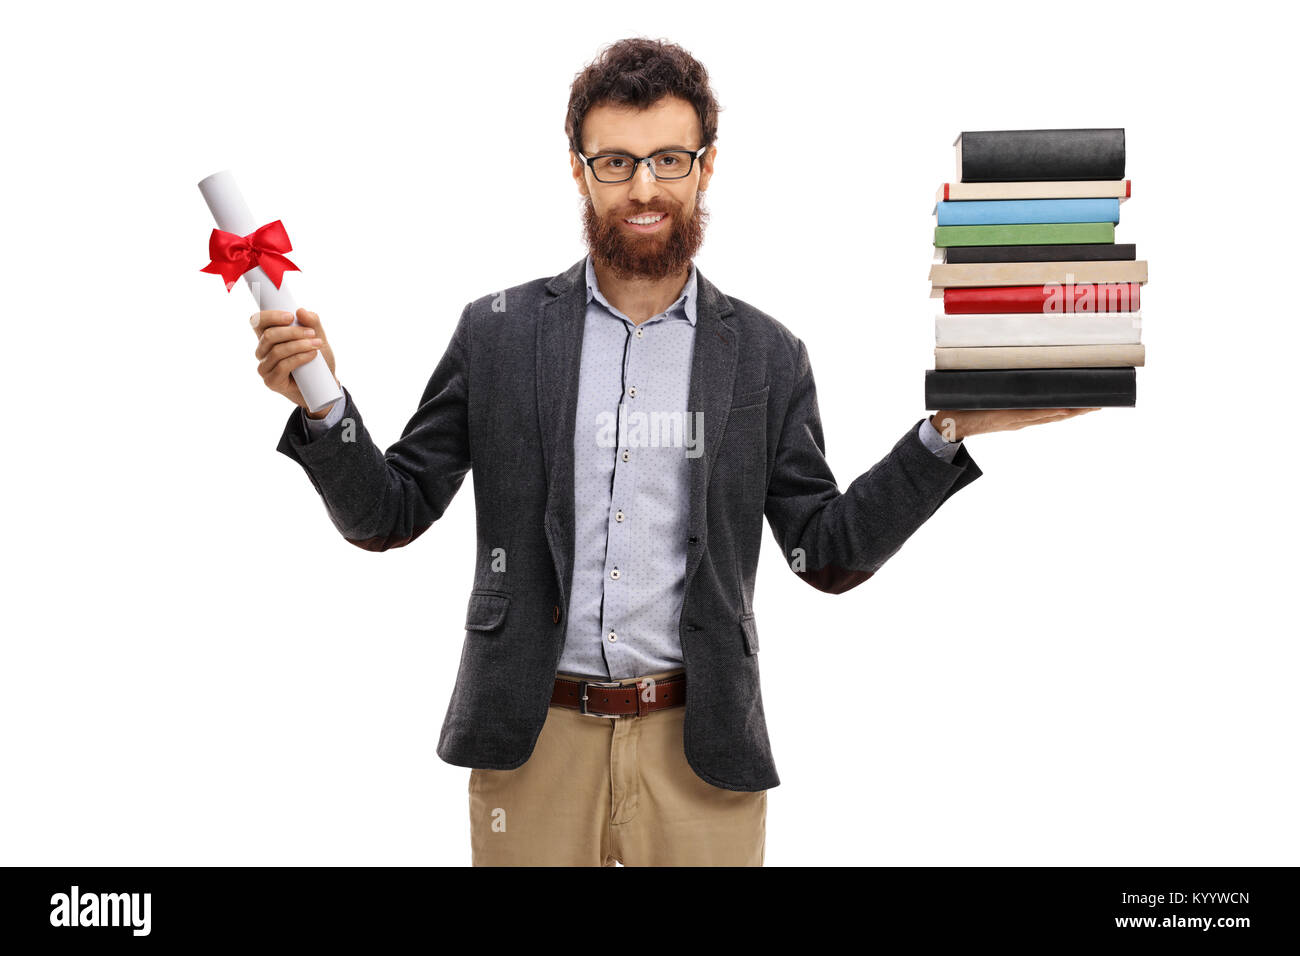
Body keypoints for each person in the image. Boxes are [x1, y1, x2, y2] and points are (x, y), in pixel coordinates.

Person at [252, 37, 1096, 866]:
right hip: (532, 737)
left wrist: (946, 431)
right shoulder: (496, 334)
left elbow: (826, 552)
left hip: (702, 747)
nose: (644, 187)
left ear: (707, 165)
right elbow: (390, 514)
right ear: (579, 168)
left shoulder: (766, 354)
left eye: (669, 159)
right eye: (615, 162)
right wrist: (324, 405)